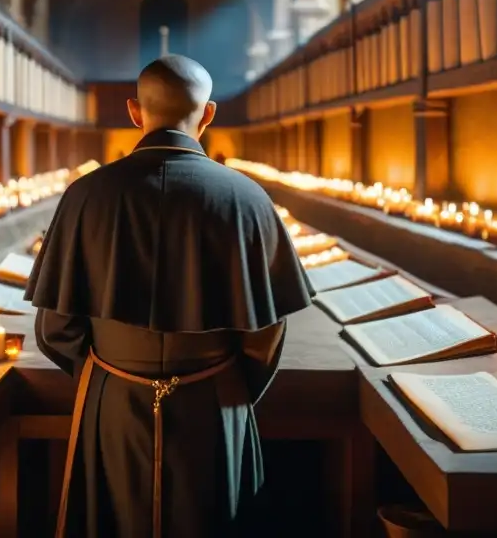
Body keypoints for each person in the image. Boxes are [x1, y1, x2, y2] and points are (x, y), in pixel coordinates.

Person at [25, 55, 313, 538]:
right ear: (208, 113)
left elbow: (57, 328)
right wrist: (224, 385)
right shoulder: (248, 198)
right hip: (216, 403)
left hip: (112, 402)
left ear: (134, 111)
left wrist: (112, 378)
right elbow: (265, 334)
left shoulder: (85, 195)